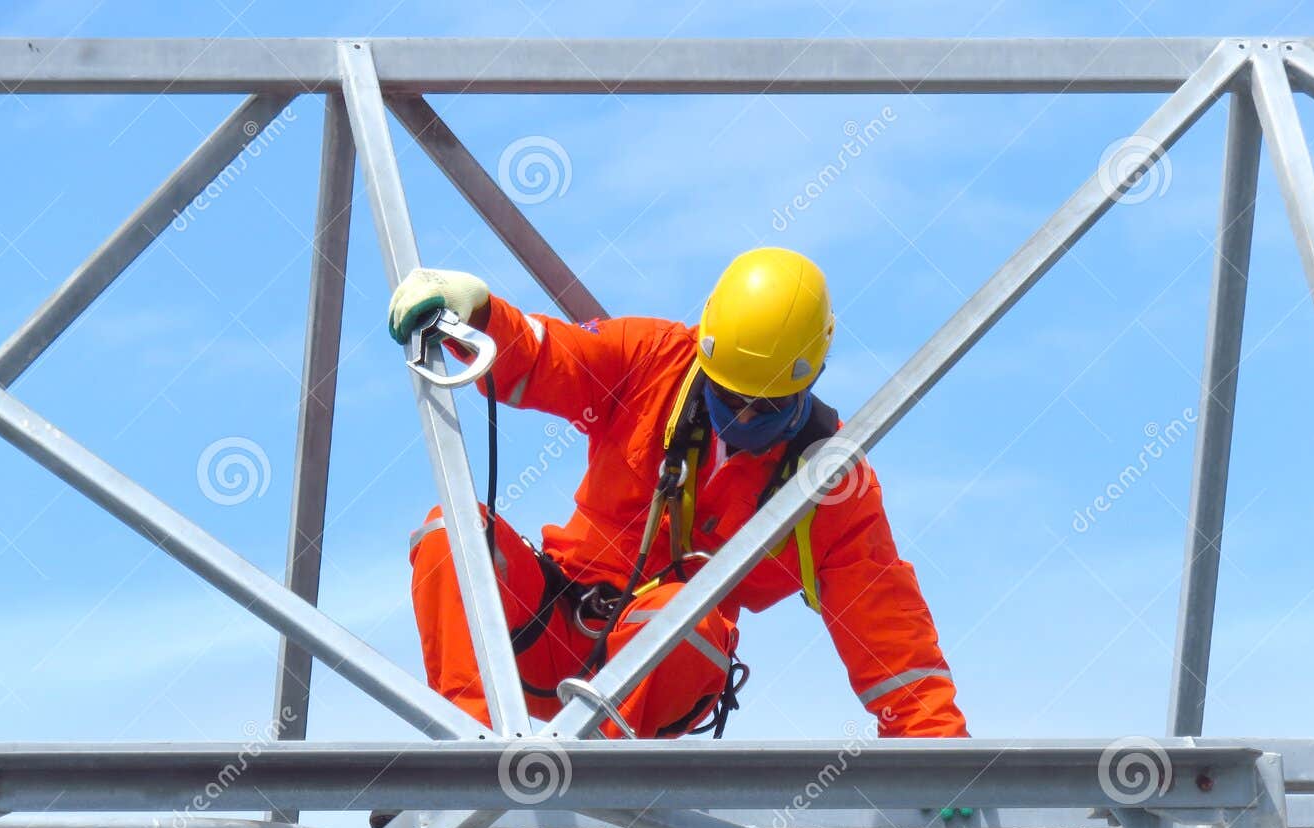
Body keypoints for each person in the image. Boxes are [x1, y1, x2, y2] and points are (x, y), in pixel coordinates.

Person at [390, 247, 967, 739]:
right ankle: (469, 752)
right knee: (452, 532)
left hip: (656, 676)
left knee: (682, 616)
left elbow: (887, 625)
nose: (740, 417)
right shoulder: (654, 359)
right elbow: (547, 357)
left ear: (807, 381)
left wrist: (940, 750)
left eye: (761, 407)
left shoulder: (829, 483)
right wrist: (482, 315)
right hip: (557, 625)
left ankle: (591, 780)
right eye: (727, 396)